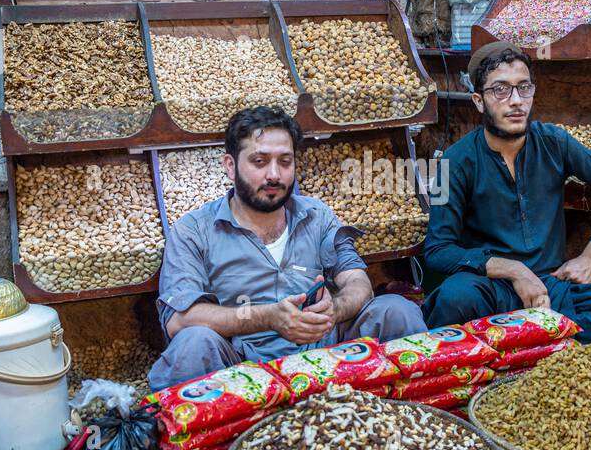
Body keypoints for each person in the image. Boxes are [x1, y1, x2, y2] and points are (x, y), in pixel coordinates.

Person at [148, 106, 427, 391]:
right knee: (193, 344)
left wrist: (334, 310)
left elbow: (357, 281)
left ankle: (412, 420)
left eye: (285, 161)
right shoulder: (194, 229)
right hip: (239, 368)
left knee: (396, 310)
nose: (274, 174)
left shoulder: (316, 214)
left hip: (326, 353)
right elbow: (180, 320)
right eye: (259, 161)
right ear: (230, 166)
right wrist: (267, 317)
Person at [421, 41, 591, 349]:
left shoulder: (554, 142)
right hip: (490, 289)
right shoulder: (449, 163)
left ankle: (524, 337)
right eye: (501, 90)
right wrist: (513, 269)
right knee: (454, 298)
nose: (516, 101)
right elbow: (438, 250)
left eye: (524, 88)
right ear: (479, 101)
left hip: (551, 286)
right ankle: (546, 335)